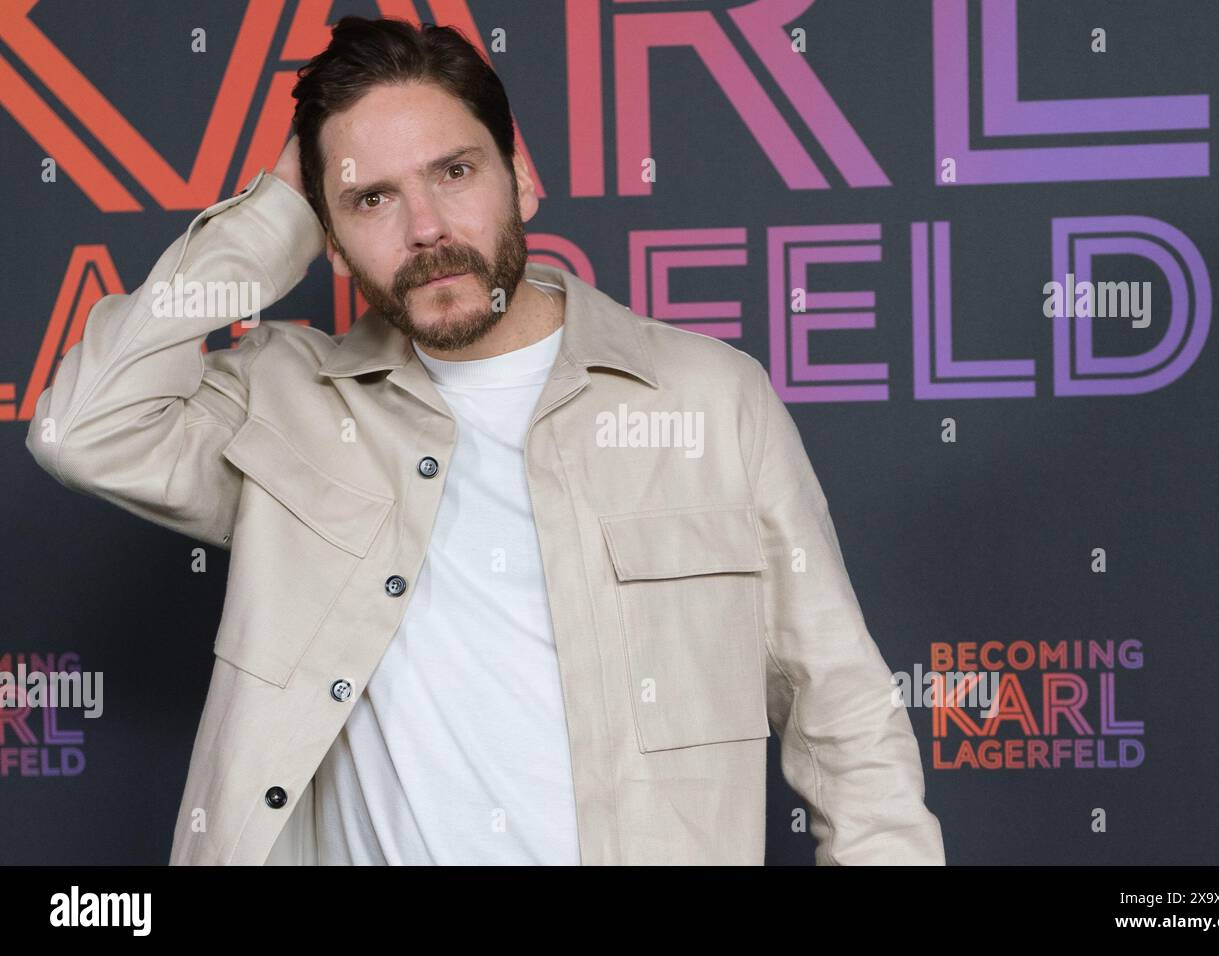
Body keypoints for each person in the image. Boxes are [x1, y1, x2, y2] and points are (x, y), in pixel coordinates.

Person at [26, 16, 944, 865]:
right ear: (330, 241)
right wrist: (271, 217)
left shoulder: (707, 398)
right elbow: (83, 428)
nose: (426, 229)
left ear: (522, 176)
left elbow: (845, 717)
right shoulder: (286, 401)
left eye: (454, 173)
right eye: (371, 199)